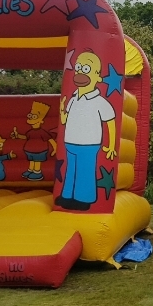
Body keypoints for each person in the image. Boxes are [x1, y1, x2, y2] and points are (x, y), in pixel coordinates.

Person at [56, 50, 117, 211]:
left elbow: (110, 122)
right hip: (70, 141)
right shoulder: (73, 98)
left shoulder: (99, 102)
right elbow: (65, 120)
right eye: (78, 68)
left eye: (86, 69)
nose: (80, 72)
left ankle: (84, 199)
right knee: (71, 170)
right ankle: (67, 195)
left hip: (89, 144)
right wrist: (62, 110)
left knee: (86, 171)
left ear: (97, 76)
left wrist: (111, 146)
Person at [11, 101, 57, 181]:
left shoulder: (42, 132)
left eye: (34, 116)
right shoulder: (30, 132)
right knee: (31, 161)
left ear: (41, 121)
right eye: (30, 116)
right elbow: (26, 137)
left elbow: (51, 140)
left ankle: (37, 172)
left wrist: (55, 149)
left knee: (37, 161)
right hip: (29, 150)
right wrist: (17, 135)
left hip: (40, 151)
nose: (31, 118)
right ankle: (30, 170)